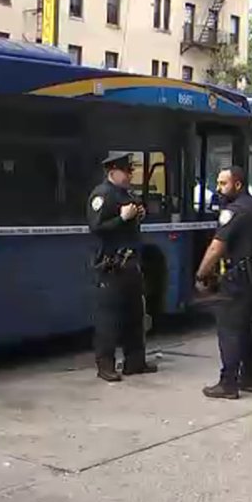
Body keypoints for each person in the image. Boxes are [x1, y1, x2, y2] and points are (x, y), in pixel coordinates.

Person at [195, 167, 252, 399]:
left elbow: (217, 246)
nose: (218, 188)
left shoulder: (234, 211)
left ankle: (228, 383)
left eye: (223, 183)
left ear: (237, 184)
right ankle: (249, 379)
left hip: (236, 278)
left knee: (229, 329)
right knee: (247, 328)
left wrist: (201, 274)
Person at [87, 151, 157, 382]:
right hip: (111, 266)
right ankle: (105, 365)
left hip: (131, 264)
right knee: (109, 317)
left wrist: (139, 214)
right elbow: (96, 227)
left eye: (130, 170)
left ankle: (135, 362)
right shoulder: (102, 195)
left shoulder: (128, 194)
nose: (129, 175)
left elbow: (133, 222)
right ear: (112, 171)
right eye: (126, 171)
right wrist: (122, 218)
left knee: (135, 315)